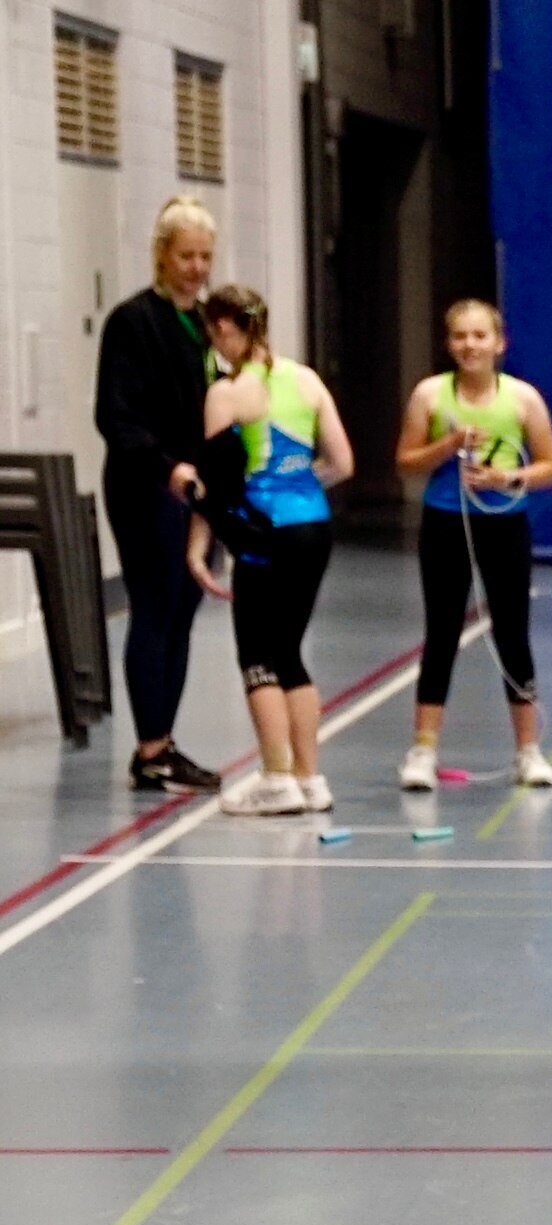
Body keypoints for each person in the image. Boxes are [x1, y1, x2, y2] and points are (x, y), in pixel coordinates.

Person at [183, 286, 353, 818]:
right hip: (312, 527)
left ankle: (275, 777)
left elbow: (216, 482)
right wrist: (298, 488)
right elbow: (342, 464)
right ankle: (310, 777)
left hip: (261, 534)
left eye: (215, 333)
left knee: (257, 655)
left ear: (227, 328)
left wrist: (198, 548)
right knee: (291, 651)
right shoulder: (306, 381)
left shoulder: (228, 393)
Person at [393, 300, 552, 790]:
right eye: (460, 337)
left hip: (504, 525)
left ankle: (528, 751)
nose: (470, 345)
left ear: (499, 342)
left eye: (479, 336)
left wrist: (505, 477)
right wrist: (446, 447)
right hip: (445, 523)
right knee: (442, 632)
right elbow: (405, 463)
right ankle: (423, 751)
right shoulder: (430, 395)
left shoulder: (523, 399)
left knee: (513, 632)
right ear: (449, 344)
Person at [93, 195, 221, 792]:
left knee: (184, 610)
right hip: (147, 486)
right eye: (186, 256)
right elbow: (115, 416)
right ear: (162, 256)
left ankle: (164, 740)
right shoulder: (132, 321)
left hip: (199, 488)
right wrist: (165, 465)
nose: (196, 267)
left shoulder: (204, 326)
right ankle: (150, 746)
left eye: (205, 257)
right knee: (155, 605)